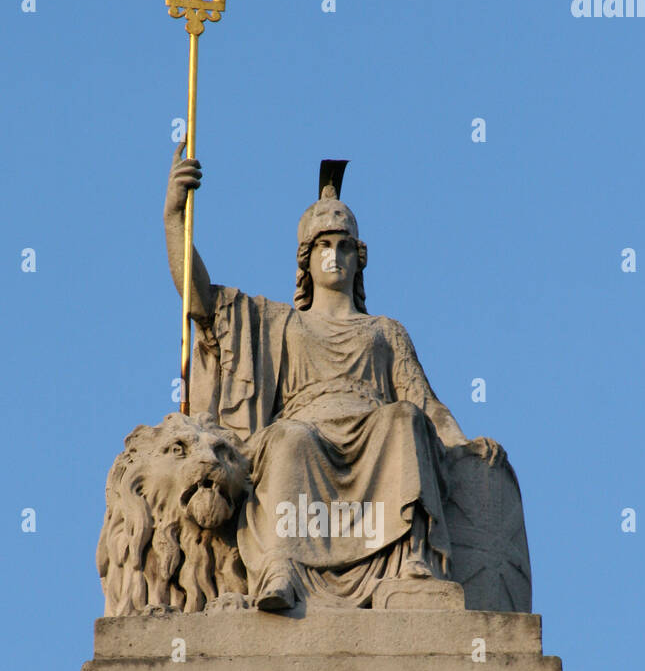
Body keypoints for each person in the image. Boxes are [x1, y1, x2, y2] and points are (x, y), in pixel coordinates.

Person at [164, 146, 503, 610]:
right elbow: (201, 301)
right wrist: (173, 220)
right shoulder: (277, 322)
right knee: (286, 439)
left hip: (374, 434)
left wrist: (462, 445)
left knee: (403, 419)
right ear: (306, 259)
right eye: (324, 245)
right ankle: (281, 567)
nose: (335, 255)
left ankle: (410, 564)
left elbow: (425, 403)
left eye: (344, 245)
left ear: (360, 258)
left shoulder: (385, 331)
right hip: (305, 432)